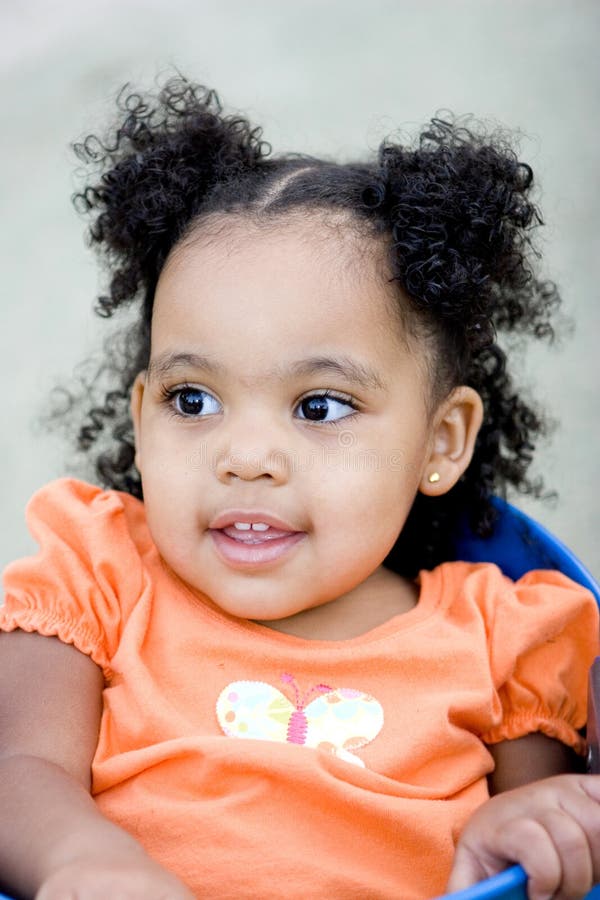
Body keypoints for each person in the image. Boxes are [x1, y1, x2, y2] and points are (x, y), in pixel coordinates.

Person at [0, 76, 598, 900]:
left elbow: (549, 833)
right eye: (192, 400)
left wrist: (527, 825)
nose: (246, 458)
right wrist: (80, 859)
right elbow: (17, 768)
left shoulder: (503, 637)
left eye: (320, 407)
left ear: (441, 440)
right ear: (140, 418)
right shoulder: (98, 578)